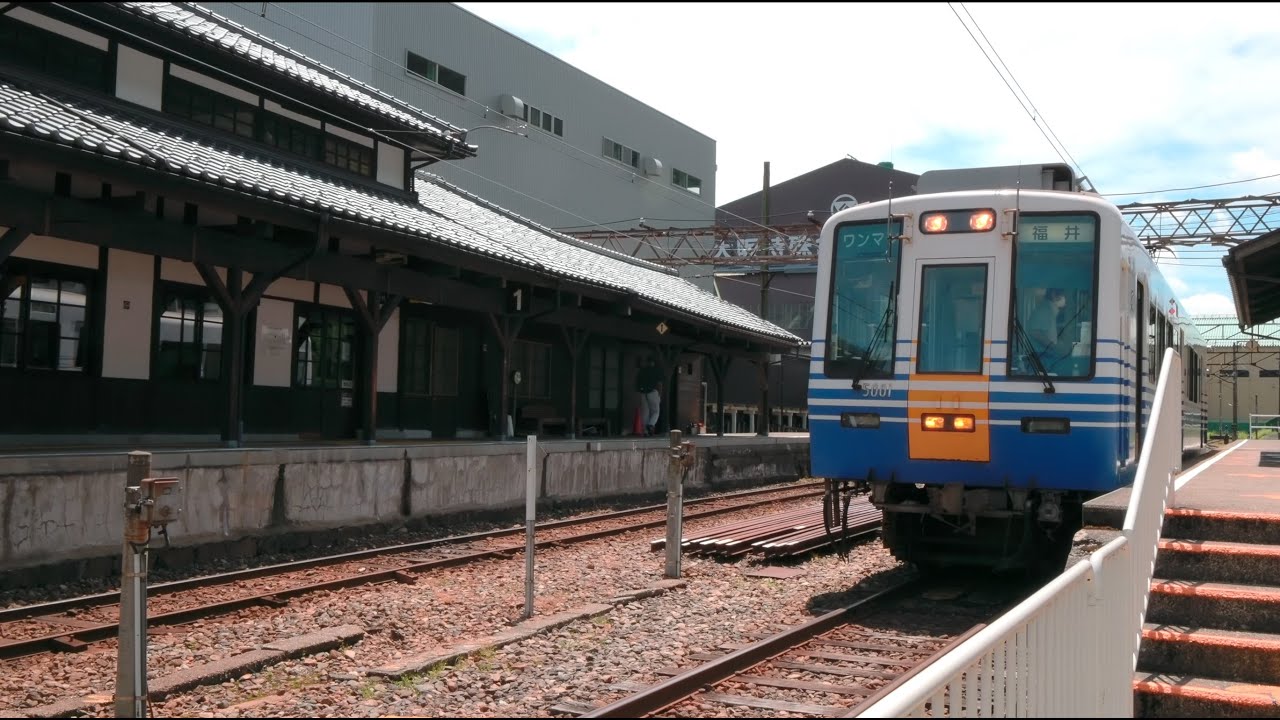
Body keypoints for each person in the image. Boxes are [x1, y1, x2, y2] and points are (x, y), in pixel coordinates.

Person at [1027, 288, 1068, 362]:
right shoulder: (1044, 310)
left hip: (1047, 354)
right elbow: (1035, 332)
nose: (1065, 299)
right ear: (1054, 295)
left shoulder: (1051, 309)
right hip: (1042, 355)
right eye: (1063, 295)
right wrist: (1053, 347)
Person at [635, 357, 664, 436]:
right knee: (656, 411)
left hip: (643, 393)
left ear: (647, 362)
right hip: (653, 392)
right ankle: (651, 425)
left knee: (645, 413)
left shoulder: (641, 371)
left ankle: (645, 431)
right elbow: (659, 384)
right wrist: (660, 395)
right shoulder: (656, 370)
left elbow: (637, 384)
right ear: (653, 363)